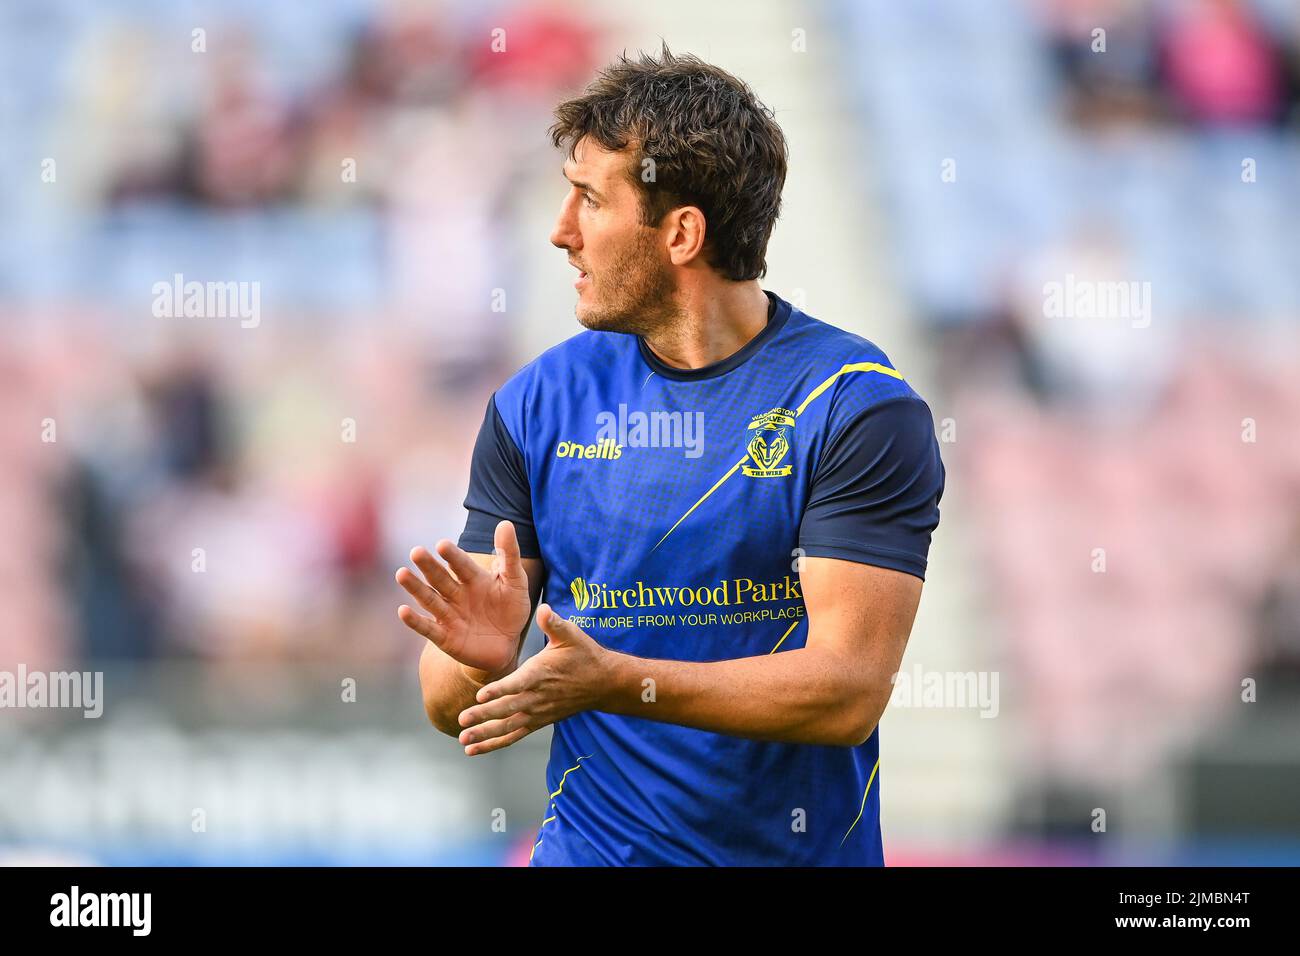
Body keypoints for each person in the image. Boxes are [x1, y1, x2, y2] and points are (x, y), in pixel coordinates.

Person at [396, 46, 945, 866]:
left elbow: (848, 690)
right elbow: (449, 703)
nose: (559, 231)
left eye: (588, 199)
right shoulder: (535, 404)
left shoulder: (854, 406)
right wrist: (478, 660)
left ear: (682, 232)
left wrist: (618, 679)